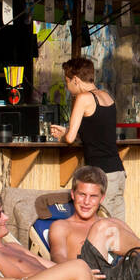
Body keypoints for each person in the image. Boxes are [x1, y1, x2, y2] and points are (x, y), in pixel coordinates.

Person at [50, 57, 126, 220]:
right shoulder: (107, 97)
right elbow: (96, 132)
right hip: (118, 172)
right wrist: (66, 131)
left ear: (76, 80)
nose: (67, 87)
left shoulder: (83, 98)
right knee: (118, 228)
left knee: (100, 228)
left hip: (101, 174)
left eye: (67, 81)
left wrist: (63, 136)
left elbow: (70, 139)